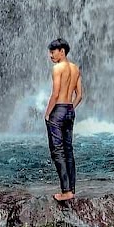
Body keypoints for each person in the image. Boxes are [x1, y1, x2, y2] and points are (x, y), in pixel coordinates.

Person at [44, 38, 82, 201]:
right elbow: (80, 95)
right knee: (68, 150)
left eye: (53, 52)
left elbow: (55, 94)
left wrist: (48, 113)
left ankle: (66, 191)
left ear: (62, 51)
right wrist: (70, 108)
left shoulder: (57, 68)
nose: (51, 55)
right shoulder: (75, 68)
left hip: (58, 110)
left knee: (57, 151)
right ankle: (71, 189)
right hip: (69, 110)